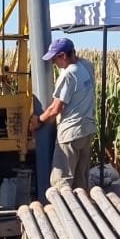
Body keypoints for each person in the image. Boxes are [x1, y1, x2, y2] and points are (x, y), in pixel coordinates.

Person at [30, 37, 96, 192]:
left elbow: (55, 108)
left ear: (63, 56)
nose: (53, 62)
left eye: (55, 58)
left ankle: (62, 213)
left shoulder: (68, 75)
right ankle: (82, 213)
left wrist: (38, 120)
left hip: (71, 133)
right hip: (88, 130)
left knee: (61, 181)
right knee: (81, 180)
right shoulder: (86, 65)